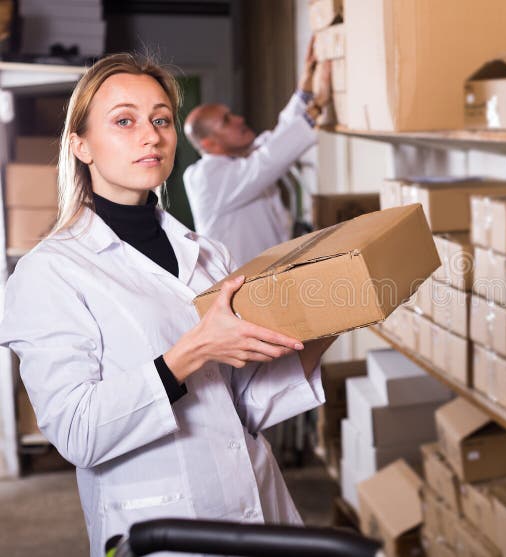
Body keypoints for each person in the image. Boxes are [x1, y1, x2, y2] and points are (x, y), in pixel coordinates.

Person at [0, 53, 335, 557]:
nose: (151, 135)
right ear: (81, 145)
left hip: (261, 509)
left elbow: (243, 406)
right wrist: (192, 351)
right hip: (163, 529)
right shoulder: (49, 273)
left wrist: (332, 321)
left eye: (161, 119)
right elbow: (77, 433)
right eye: (124, 121)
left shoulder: (207, 253)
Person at [183, 38, 331, 266]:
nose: (239, 119)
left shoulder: (243, 159)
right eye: (226, 121)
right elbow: (268, 160)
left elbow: (280, 138)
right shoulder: (204, 178)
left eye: (231, 114)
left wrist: (305, 89)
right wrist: (318, 105)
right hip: (246, 288)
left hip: (273, 274)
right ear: (209, 144)